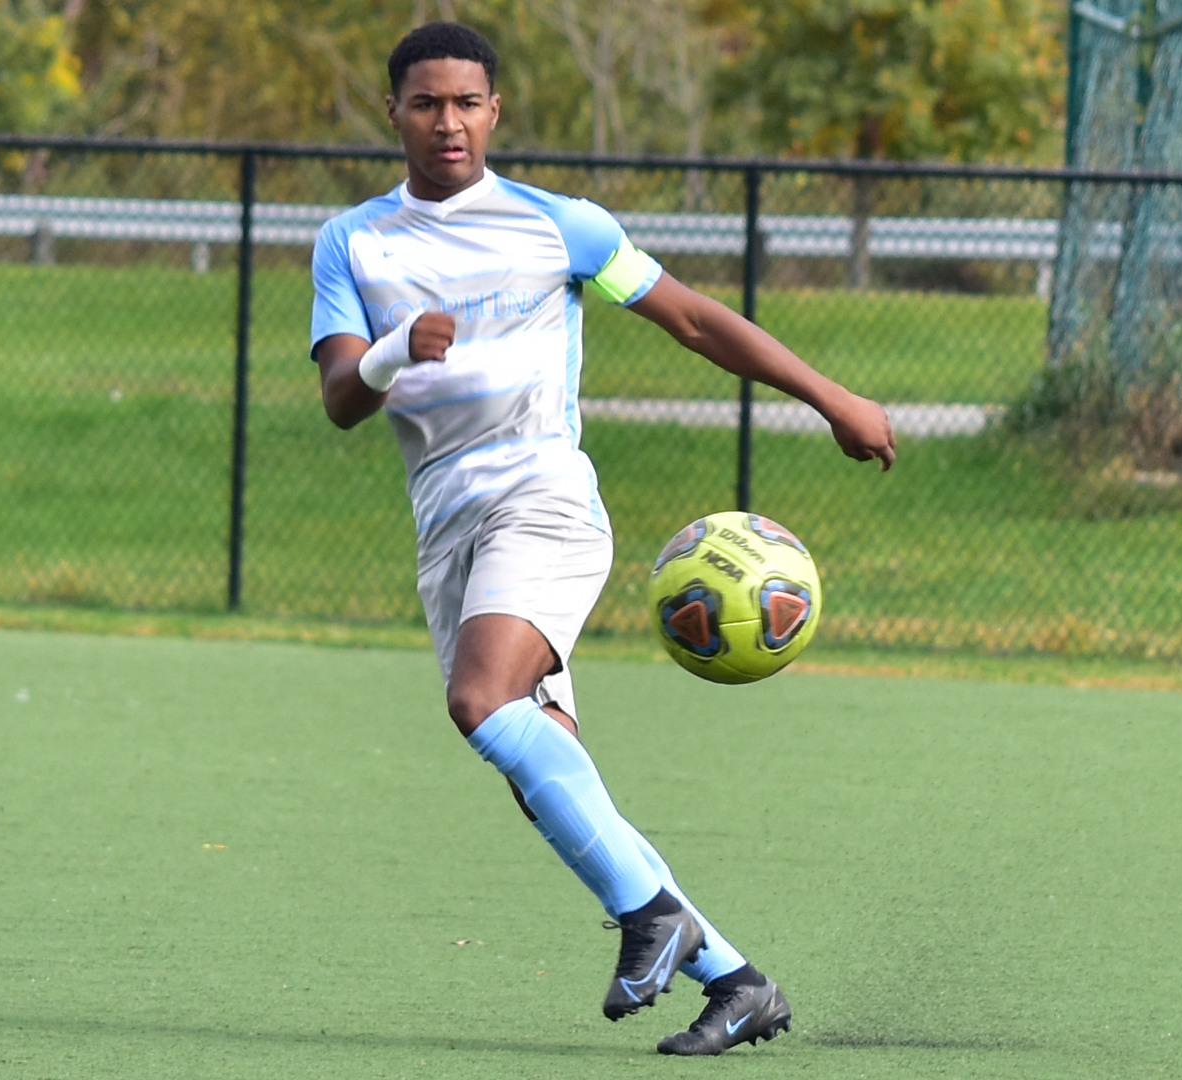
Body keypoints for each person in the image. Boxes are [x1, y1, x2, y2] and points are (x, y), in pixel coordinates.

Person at [309, 21, 896, 1056]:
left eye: (467, 101)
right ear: (392, 113)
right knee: (545, 774)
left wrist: (830, 396)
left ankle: (651, 918)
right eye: (426, 102)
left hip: (542, 499)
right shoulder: (354, 240)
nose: (448, 120)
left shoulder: (558, 226)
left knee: (479, 700)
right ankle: (738, 981)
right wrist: (398, 349)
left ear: (496, 111)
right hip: (447, 524)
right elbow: (340, 398)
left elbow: (696, 320)